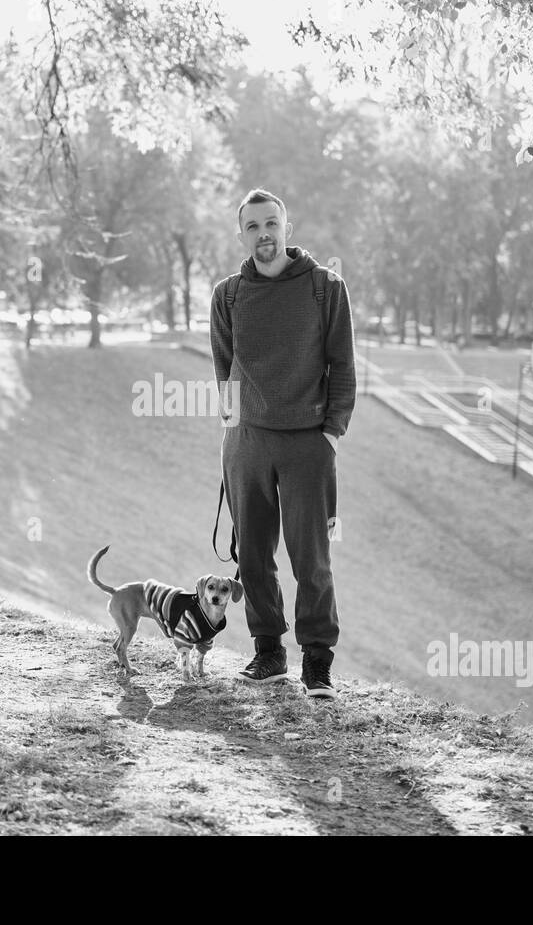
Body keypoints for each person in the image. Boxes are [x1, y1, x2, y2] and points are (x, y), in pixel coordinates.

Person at [209, 188, 356, 700]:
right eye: (253, 227)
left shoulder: (324, 288)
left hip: (307, 444)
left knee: (310, 557)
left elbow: (343, 365)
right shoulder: (227, 295)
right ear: (242, 235)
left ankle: (318, 662)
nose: (264, 234)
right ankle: (268, 652)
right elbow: (224, 369)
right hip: (247, 440)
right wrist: (231, 434)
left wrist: (332, 434)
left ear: (286, 227)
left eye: (271, 223)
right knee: (251, 554)